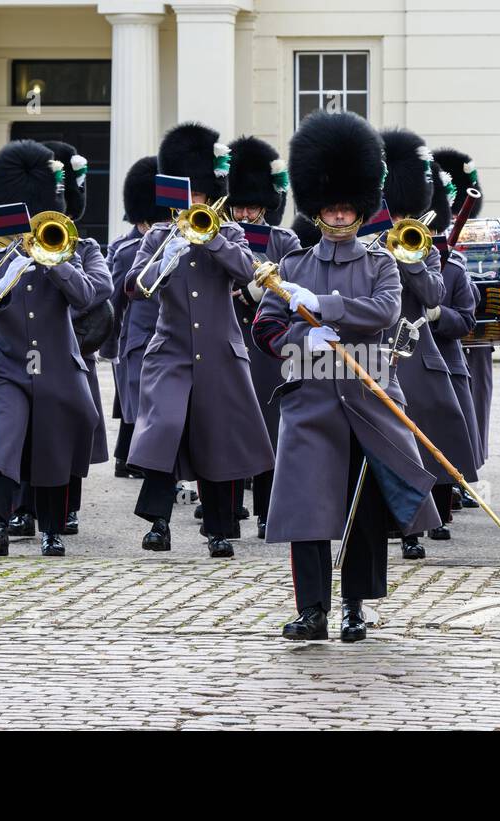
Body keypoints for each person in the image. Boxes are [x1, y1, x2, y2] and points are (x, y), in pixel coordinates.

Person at [252, 110, 442, 641]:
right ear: (316, 210)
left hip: (368, 392)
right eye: (329, 210)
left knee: (363, 511)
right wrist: (299, 337)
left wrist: (326, 307)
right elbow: (266, 326)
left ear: (360, 208)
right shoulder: (291, 266)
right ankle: (312, 609)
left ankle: (357, 605)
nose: (338, 218)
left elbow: (384, 310)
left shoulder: (381, 262)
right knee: (307, 510)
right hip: (310, 394)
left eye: (345, 210)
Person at [124, 122, 275, 558]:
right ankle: (157, 523)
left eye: (200, 196)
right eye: (187, 195)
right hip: (170, 350)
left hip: (220, 353)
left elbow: (247, 272)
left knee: (217, 439)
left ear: (211, 196)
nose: (194, 202)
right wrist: (168, 253)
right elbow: (136, 285)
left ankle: (220, 529)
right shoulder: (157, 236)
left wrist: (210, 239)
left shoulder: (229, 233)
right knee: (165, 429)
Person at [0, 140, 99, 557]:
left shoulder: (63, 252)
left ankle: (52, 530)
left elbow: (86, 296)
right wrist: (11, 267)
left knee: (54, 444)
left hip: (56, 366)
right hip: (4, 366)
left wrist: (52, 263)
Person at [378, 129, 475, 559]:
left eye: (405, 213)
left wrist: (410, 258)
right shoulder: (366, 246)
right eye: (393, 214)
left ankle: (415, 530)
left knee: (420, 442)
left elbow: (435, 295)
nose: (400, 221)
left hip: (415, 353)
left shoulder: (427, 248)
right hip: (375, 350)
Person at [227, 135, 301, 540]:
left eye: (251, 205)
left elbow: (292, 285)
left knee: (270, 427)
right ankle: (230, 501)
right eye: (238, 204)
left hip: (265, 344)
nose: (243, 212)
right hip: (230, 338)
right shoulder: (219, 235)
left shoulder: (283, 240)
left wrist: (256, 291)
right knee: (232, 424)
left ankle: (267, 509)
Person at [42, 140, 114, 536]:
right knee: (25, 431)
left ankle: (68, 508)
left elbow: (99, 289)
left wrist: (58, 265)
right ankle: (23, 507)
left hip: (73, 354)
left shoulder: (85, 248)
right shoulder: (16, 247)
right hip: (28, 353)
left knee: (71, 431)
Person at [423, 162, 480, 536]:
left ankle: (440, 515)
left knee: (441, 440)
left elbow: (466, 321)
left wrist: (438, 312)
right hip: (400, 360)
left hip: (443, 362)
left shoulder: (454, 268)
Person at [435, 147, 494, 481]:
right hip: (432, 336)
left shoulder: (479, 235)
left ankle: (470, 463)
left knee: (474, 402)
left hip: (473, 327)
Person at [106, 156, 162, 480]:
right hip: (139, 334)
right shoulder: (125, 250)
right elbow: (115, 298)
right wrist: (110, 343)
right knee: (138, 402)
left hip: (170, 334)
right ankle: (134, 460)